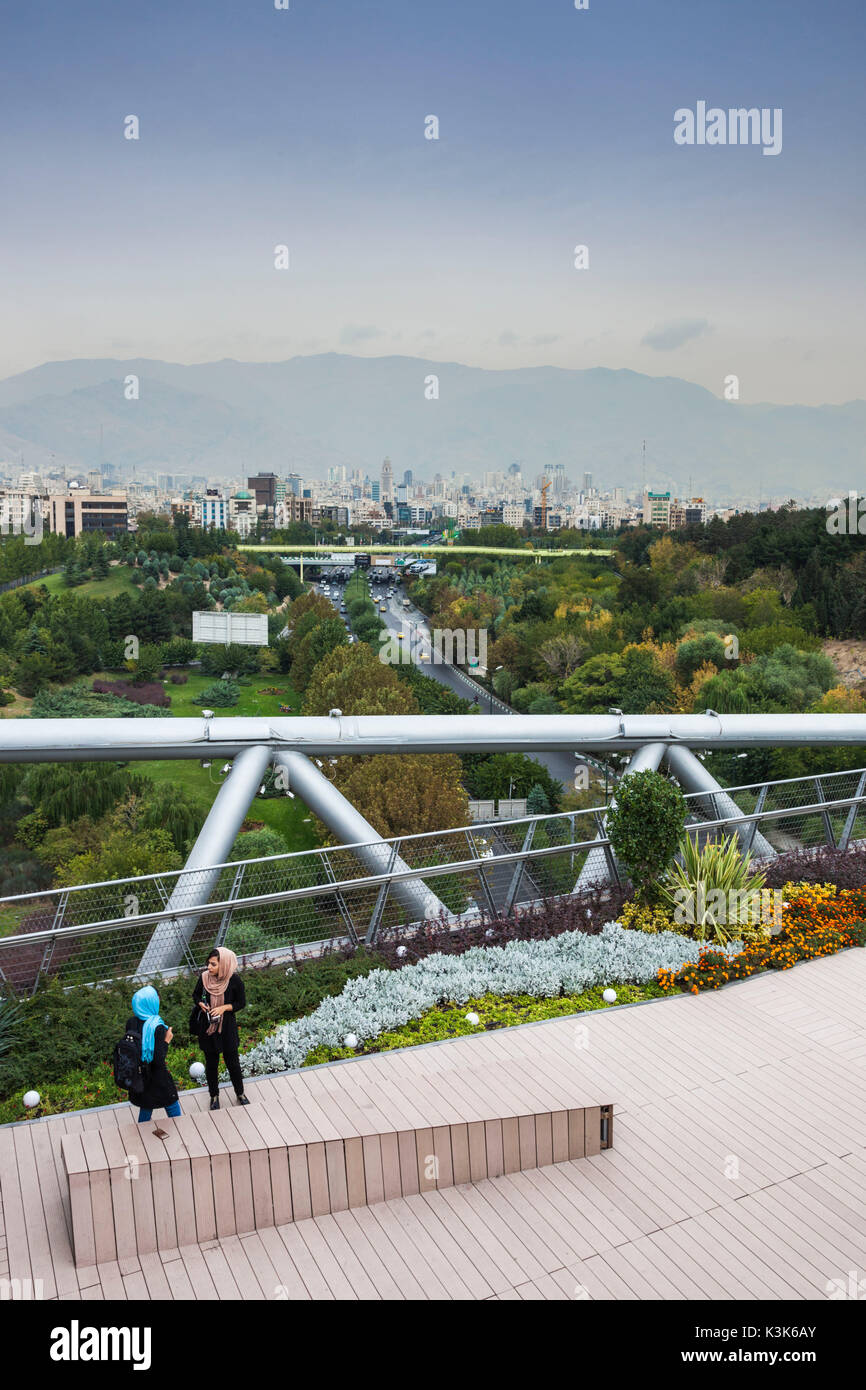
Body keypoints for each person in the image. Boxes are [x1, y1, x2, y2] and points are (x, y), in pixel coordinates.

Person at [192, 946, 250, 1110]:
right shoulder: (204, 978)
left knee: (233, 1064)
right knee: (211, 1065)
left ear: (223, 964)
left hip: (227, 1028)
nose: (208, 968)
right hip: (208, 1027)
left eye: (213, 964)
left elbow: (241, 1003)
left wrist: (224, 1008)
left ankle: (240, 1093)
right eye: (208, 964)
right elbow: (195, 995)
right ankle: (214, 1096)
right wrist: (201, 1004)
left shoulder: (234, 980)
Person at [126, 985, 182, 1124]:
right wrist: (167, 1040)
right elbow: (158, 1059)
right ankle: (182, 1128)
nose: (159, 1000)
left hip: (140, 1075)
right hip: (157, 1076)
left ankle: (140, 1134)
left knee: (146, 1104)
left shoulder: (131, 1022)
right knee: (172, 1103)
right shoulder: (157, 1027)